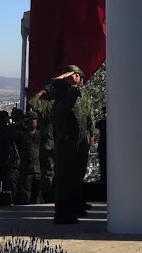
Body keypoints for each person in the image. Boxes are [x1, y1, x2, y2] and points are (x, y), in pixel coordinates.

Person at [48, 65, 92, 224]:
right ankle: (62, 213)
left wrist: (91, 132)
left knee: (77, 175)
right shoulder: (61, 91)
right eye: (74, 74)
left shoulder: (81, 93)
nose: (78, 77)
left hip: (80, 140)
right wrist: (63, 76)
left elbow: (88, 114)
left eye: (79, 74)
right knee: (64, 177)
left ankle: (75, 206)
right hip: (66, 140)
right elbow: (50, 85)